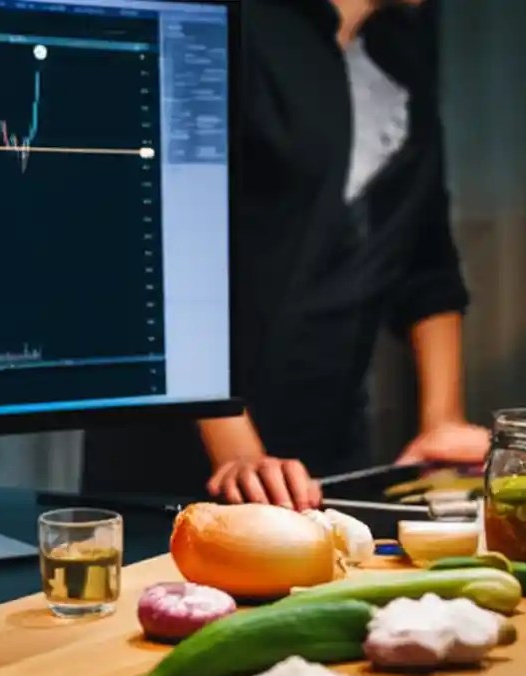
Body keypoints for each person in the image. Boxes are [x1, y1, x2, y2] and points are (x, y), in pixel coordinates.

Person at [80, 0, 490, 510]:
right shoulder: (228, 26)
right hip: (183, 462)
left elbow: (428, 266)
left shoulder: (401, 57)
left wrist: (442, 421)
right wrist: (240, 455)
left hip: (324, 454)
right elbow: (159, 247)